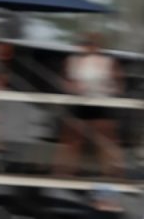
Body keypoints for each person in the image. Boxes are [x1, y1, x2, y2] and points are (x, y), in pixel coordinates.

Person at [53, 33, 125, 179]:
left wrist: (107, 89)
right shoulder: (72, 61)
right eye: (85, 44)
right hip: (78, 103)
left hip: (102, 104)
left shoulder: (108, 61)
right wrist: (73, 87)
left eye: (91, 44)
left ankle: (112, 173)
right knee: (72, 140)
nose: (88, 47)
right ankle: (64, 172)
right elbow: (64, 81)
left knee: (105, 140)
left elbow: (119, 85)